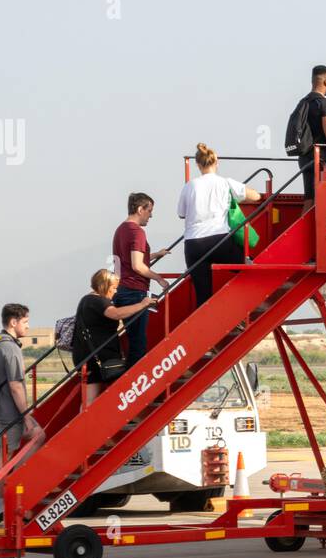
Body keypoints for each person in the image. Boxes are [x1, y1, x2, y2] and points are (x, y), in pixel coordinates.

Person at [177, 144, 262, 307]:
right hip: (219, 241)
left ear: (198, 164)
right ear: (217, 162)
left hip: (193, 244)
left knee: (203, 296)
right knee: (248, 270)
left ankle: (203, 327)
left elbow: (181, 213)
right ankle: (239, 308)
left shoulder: (190, 186)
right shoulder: (225, 183)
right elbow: (255, 196)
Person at [0, 303, 46, 524]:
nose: (28, 327)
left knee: (2, 455)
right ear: (14, 322)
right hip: (11, 412)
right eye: (26, 322)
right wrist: (27, 416)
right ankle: (6, 495)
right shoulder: (10, 348)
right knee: (37, 437)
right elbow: (16, 386)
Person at [74, 268, 157, 404]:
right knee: (123, 391)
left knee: (89, 401)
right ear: (104, 286)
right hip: (101, 358)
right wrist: (143, 304)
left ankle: (85, 424)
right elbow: (117, 313)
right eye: (114, 287)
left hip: (89, 357)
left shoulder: (87, 300)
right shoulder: (98, 301)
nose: (116, 291)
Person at [111, 192, 170, 367]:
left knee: (133, 340)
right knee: (138, 344)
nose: (151, 215)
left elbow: (129, 261)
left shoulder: (120, 230)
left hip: (122, 290)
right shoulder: (138, 232)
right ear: (139, 209)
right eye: (149, 210)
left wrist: (154, 255)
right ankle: (133, 382)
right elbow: (137, 266)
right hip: (135, 291)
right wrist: (159, 279)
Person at [294, 65, 326, 206]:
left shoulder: (303, 103)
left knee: (309, 200)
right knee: (325, 203)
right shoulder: (325, 105)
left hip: (305, 159)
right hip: (323, 162)